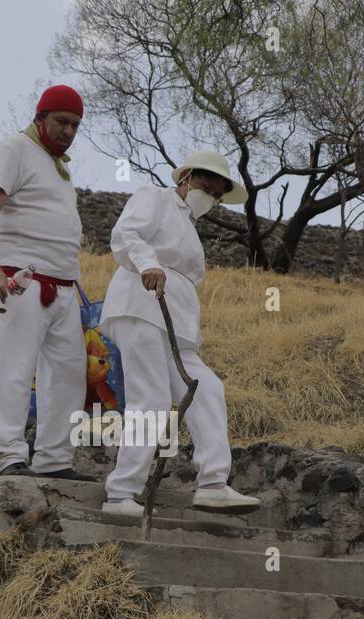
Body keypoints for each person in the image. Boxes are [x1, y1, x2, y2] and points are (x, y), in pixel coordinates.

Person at [97, 150, 261, 517]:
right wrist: (149, 264)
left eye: (219, 194)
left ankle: (214, 484)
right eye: (208, 186)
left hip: (175, 322)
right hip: (141, 306)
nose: (212, 197)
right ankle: (121, 493)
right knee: (151, 398)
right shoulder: (153, 197)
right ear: (186, 176)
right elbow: (126, 234)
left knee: (205, 387)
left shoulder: (188, 227)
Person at [0, 84, 89, 479]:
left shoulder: (60, 168)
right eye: (62, 121)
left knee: (69, 375)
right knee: (13, 368)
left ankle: (54, 460)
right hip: (21, 280)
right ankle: (9, 455)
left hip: (63, 288)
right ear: (40, 117)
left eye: (76, 125)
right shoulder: (15, 149)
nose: (69, 131)